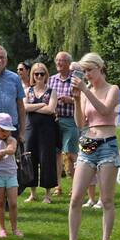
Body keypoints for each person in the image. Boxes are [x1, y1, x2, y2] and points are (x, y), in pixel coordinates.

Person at [56, 52, 119, 240]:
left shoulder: (113, 89)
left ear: (100, 68)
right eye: (84, 71)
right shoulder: (85, 91)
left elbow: (105, 110)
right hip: (89, 143)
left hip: (107, 143)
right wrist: (76, 99)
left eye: (89, 70)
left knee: (106, 199)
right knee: (75, 198)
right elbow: (80, 124)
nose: (87, 75)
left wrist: (84, 90)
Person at [23, 62, 59, 203]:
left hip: (47, 131)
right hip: (31, 129)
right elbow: (24, 107)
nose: (39, 76)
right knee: (30, 159)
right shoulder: (27, 91)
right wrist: (42, 104)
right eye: (36, 73)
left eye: (42, 73)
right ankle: (32, 193)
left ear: (46, 75)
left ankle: (48, 194)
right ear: (32, 75)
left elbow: (51, 110)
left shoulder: (52, 91)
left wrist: (33, 107)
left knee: (47, 160)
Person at [0, 112, 22, 238]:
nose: (5, 133)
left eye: (8, 130)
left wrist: (5, 150)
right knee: (0, 202)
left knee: (13, 203)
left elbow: (12, 149)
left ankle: (14, 228)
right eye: (3, 130)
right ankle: (2, 229)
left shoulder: (11, 139)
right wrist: (2, 153)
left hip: (11, 174)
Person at [49, 52, 78, 196]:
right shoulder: (51, 80)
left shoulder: (75, 80)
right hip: (54, 120)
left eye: (62, 61)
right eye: (57, 60)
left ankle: (76, 187)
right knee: (56, 154)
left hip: (71, 120)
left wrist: (71, 100)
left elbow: (83, 99)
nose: (59, 63)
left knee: (71, 155)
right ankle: (58, 187)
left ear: (68, 63)